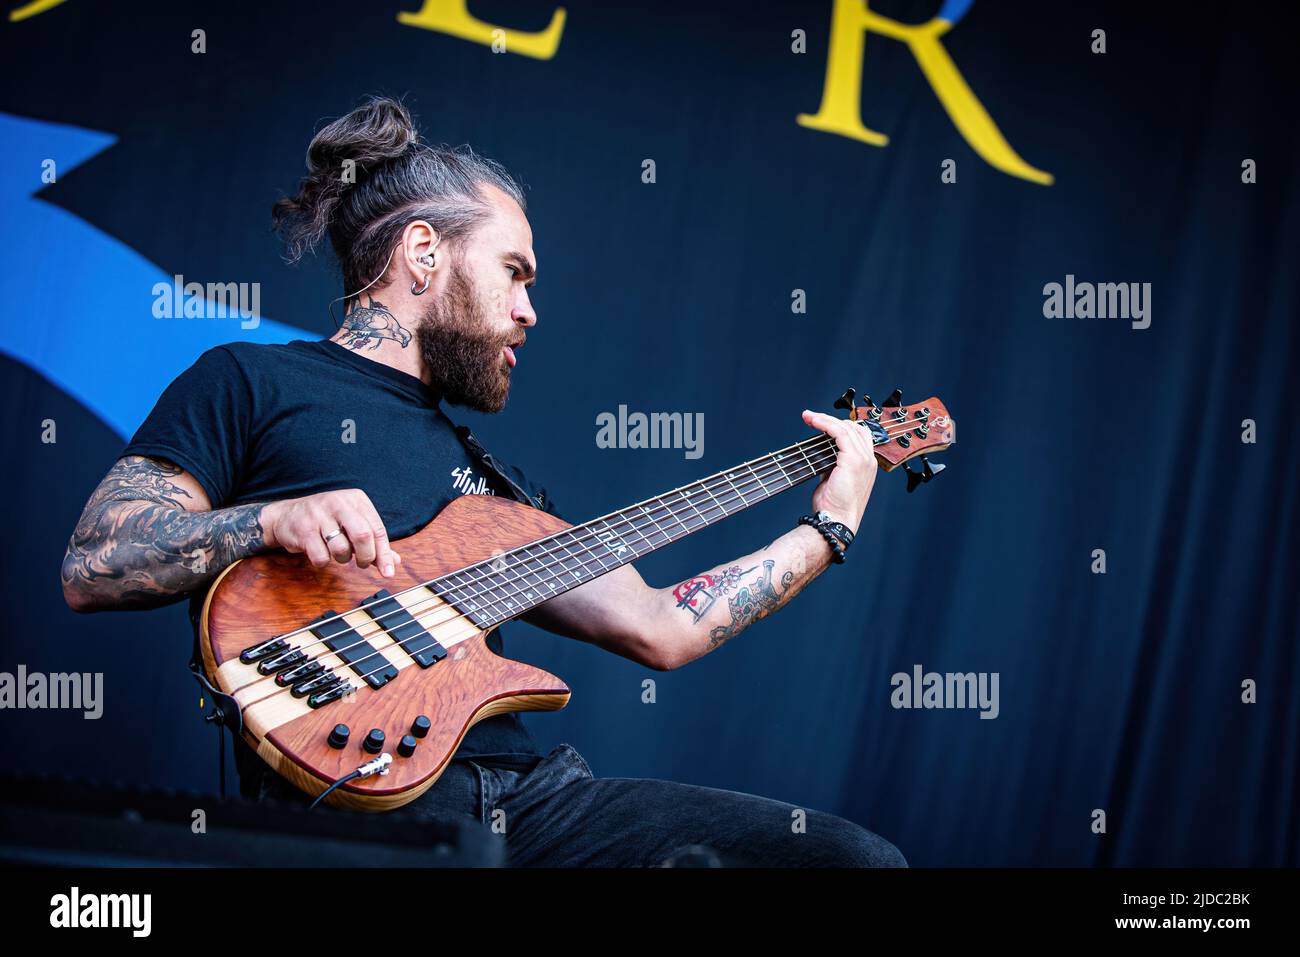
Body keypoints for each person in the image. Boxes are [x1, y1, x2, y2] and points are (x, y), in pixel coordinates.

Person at [59, 96, 905, 868]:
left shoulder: (494, 489)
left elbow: (659, 626)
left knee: (851, 861)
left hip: (536, 807)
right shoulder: (250, 381)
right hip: (357, 813)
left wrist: (826, 529)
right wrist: (268, 521)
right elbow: (96, 560)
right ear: (423, 252)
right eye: (515, 272)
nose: (531, 310)